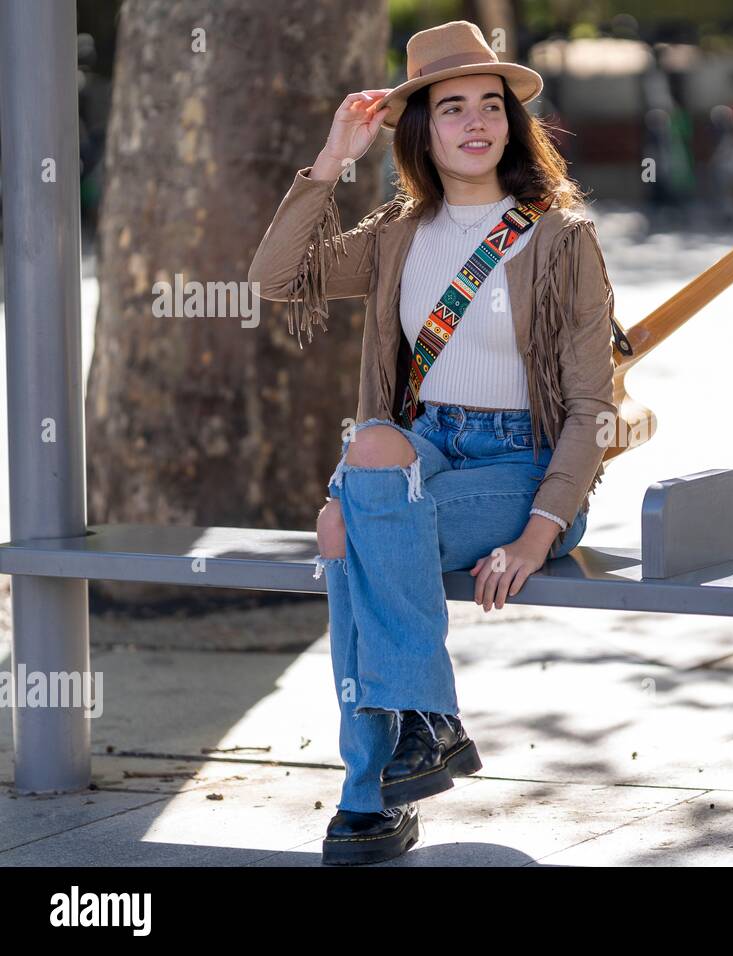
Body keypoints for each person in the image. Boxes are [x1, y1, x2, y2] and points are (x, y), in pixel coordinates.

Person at [248, 21, 618, 865]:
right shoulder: (396, 234)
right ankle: (428, 725)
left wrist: (539, 531)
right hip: (427, 451)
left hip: (525, 466)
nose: (476, 122)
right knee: (373, 457)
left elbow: (593, 406)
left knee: (351, 533)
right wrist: (333, 156)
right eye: (451, 108)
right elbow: (274, 281)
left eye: (491, 105)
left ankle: (368, 796)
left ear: (512, 124)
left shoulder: (561, 239)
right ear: (421, 128)